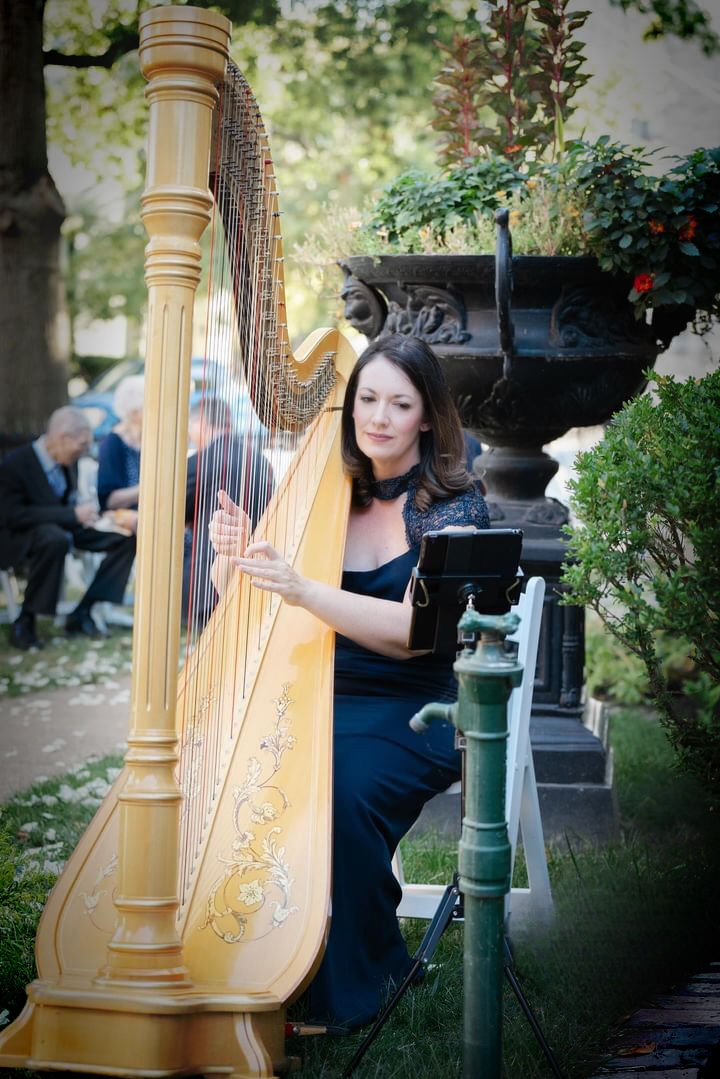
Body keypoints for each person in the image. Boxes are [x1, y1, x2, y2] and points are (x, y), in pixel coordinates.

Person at [208, 333, 490, 1028]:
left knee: (336, 786)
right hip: (317, 693)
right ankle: (248, 957)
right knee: (235, 772)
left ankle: (355, 984)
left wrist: (301, 587)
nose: (379, 417)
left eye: (400, 403)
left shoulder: (453, 505)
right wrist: (234, 560)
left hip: (416, 708)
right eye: (367, 398)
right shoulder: (325, 492)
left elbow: (411, 633)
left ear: (427, 416)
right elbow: (246, 605)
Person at [0, 406, 137, 649]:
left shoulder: (68, 460)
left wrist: (94, 517)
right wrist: (71, 514)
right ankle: (26, 619)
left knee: (125, 536)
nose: (86, 451)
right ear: (63, 438)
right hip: (23, 535)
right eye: (83, 444)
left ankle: (84, 609)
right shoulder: (15, 464)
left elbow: (69, 503)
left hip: (66, 527)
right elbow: (14, 515)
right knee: (55, 538)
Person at [182, 394, 274, 628]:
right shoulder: (260, 459)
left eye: (192, 427)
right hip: (255, 576)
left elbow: (176, 517)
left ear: (200, 423)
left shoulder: (200, 461)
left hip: (206, 582)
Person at [96, 374, 144, 532]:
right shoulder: (113, 443)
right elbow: (110, 500)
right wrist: (151, 488)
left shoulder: (149, 443)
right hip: (122, 519)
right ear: (133, 412)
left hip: (144, 515)